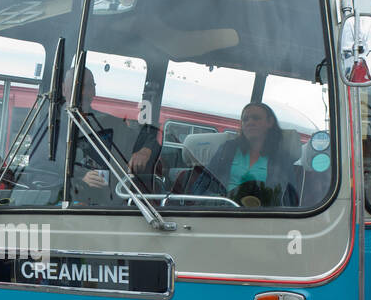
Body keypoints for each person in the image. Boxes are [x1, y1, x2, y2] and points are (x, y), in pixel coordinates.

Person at [177, 102, 299, 207]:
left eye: (256, 118)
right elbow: (201, 188)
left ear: (270, 122)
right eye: (245, 119)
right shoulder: (227, 150)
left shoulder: (281, 158)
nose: (250, 122)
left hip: (262, 218)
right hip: (223, 212)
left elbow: (290, 201)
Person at [67, 67, 160, 203]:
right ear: (64, 89)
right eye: (76, 86)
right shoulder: (52, 127)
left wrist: (145, 151)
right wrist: (79, 178)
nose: (82, 92)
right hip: (65, 204)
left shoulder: (111, 124)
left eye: (88, 86)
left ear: (94, 91)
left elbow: (150, 139)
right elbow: (43, 173)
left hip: (110, 207)